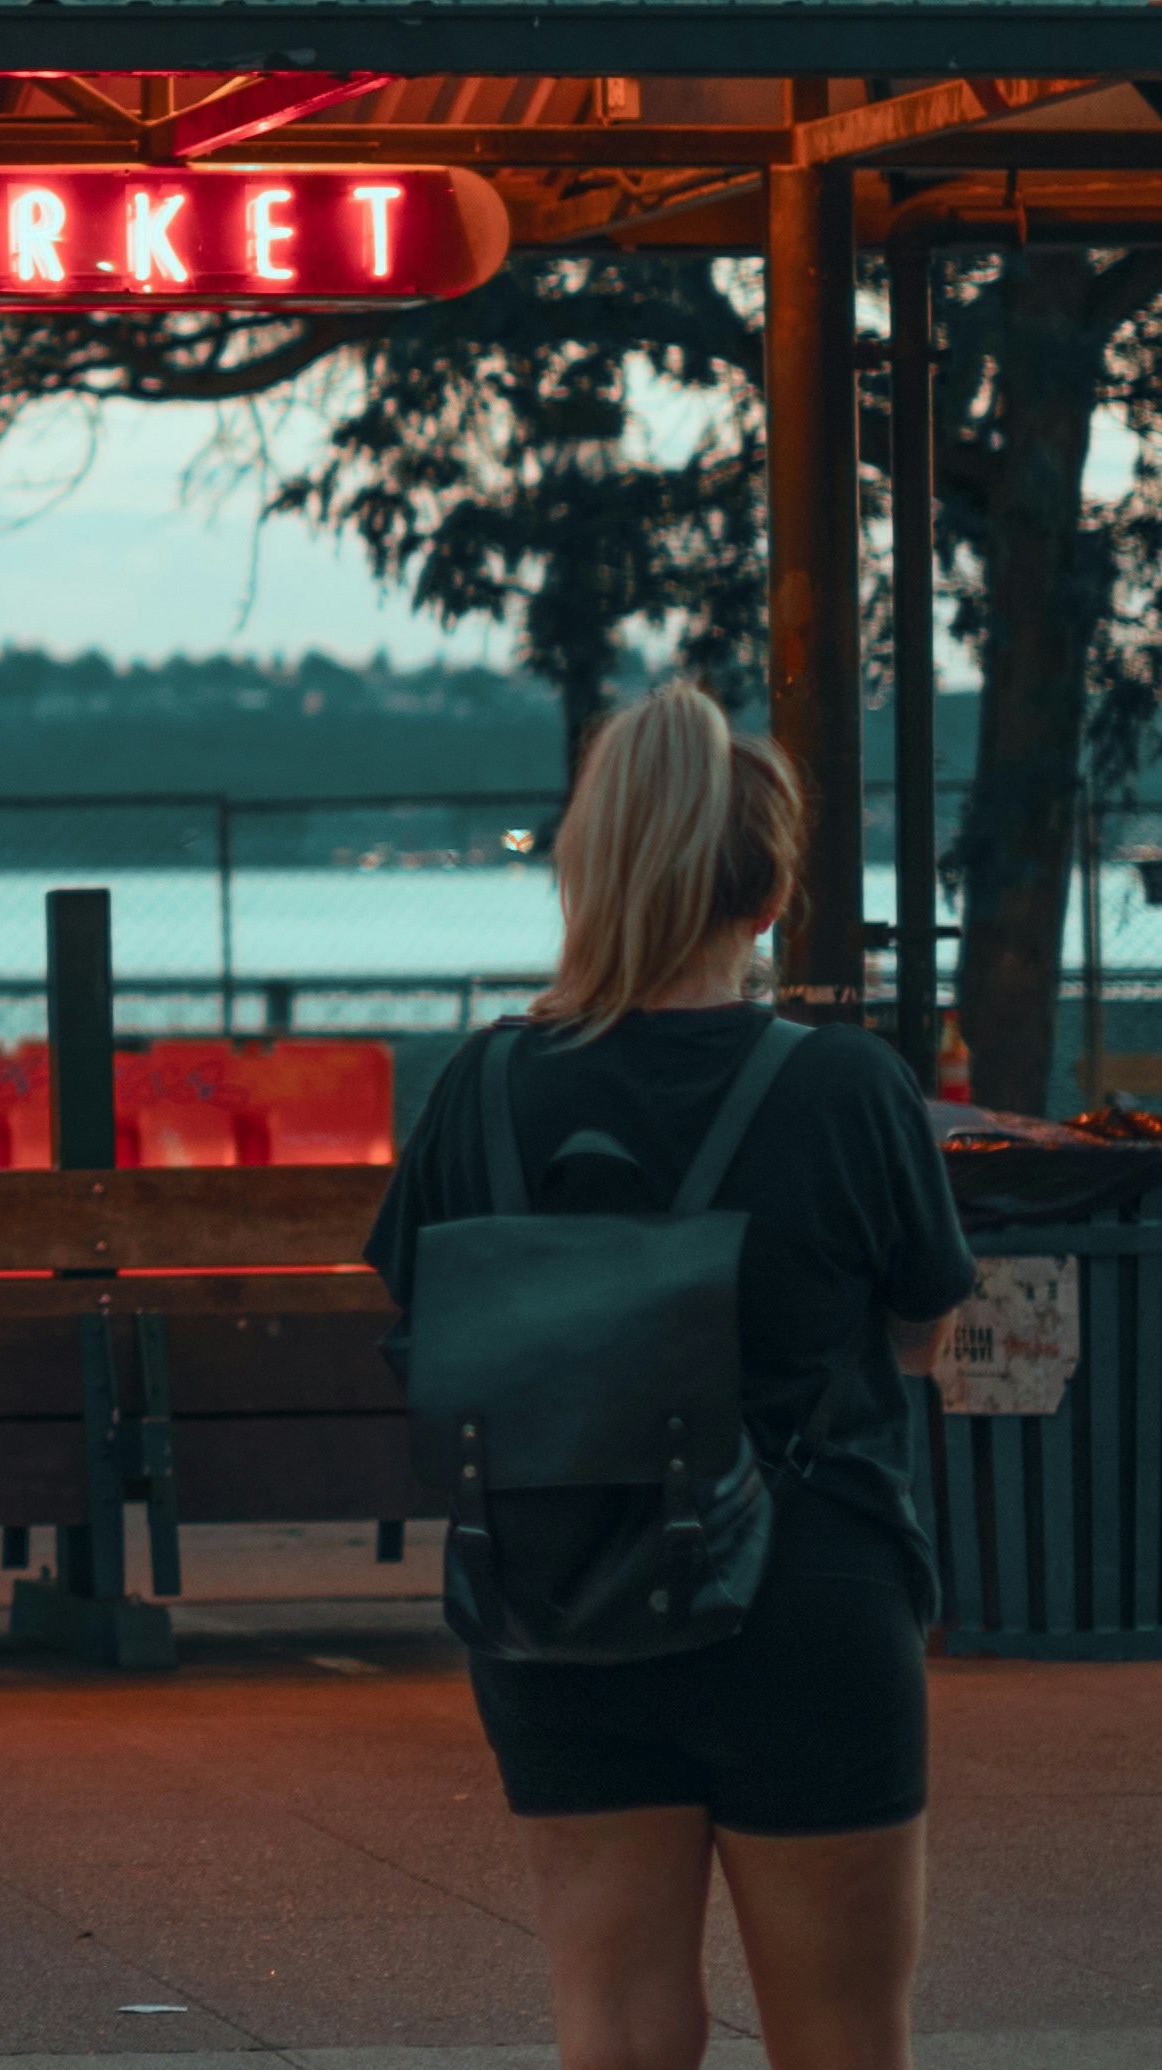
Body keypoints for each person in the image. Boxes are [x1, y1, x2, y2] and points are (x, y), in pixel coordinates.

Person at [365, 686, 972, 2070]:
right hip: (806, 1590)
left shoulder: (480, 1088)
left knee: (619, 2024)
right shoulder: (844, 1088)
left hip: (556, 1589)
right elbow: (928, 1322)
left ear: (583, 868)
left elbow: (422, 1301)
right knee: (841, 2036)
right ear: (764, 894)